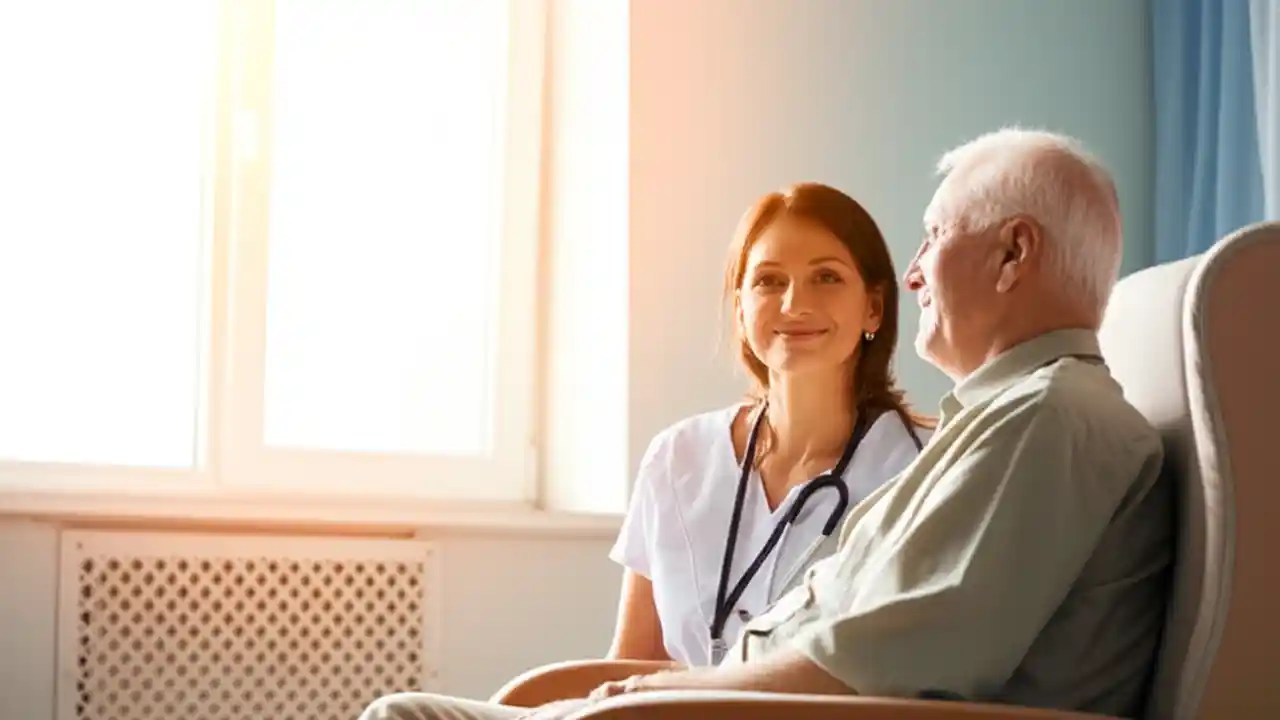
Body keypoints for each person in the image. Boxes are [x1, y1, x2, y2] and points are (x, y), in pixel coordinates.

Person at [358, 128, 1172, 720]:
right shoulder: (1004, 420)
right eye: (767, 282)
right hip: (702, 707)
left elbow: (882, 662)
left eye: (931, 238)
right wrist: (644, 688)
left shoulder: (1045, 418)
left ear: (1012, 254)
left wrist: (666, 691)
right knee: (407, 712)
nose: (918, 270)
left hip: (724, 714)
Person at [608, 182, 931, 668]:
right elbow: (629, 663)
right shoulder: (678, 458)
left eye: (826, 277)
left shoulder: (927, 465)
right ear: (739, 306)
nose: (794, 304)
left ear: (874, 307)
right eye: (769, 281)